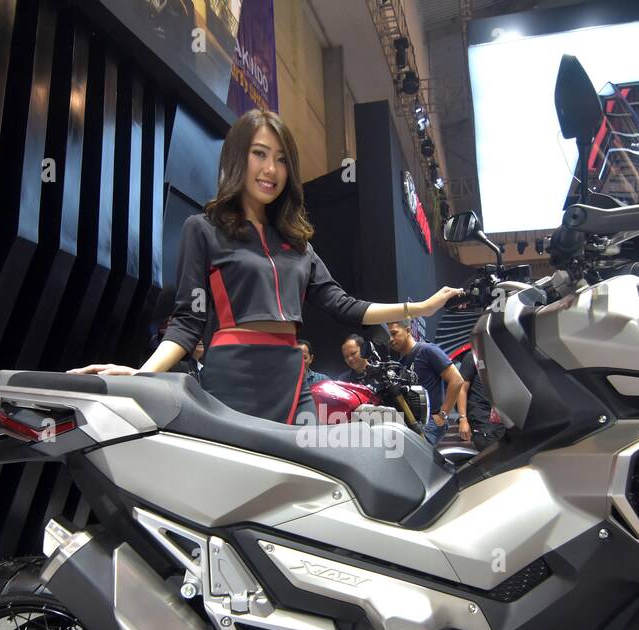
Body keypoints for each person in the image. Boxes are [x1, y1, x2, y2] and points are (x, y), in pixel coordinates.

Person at [68, 108, 462, 423]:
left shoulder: (299, 246)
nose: (271, 170)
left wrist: (419, 308)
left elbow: (346, 306)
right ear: (238, 157)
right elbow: (188, 322)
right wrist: (142, 374)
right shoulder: (203, 230)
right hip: (232, 383)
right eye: (260, 154)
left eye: (281, 160)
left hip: (293, 384)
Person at [386, 320, 464, 446]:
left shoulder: (427, 350)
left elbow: (457, 380)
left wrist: (443, 414)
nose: (391, 339)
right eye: (389, 335)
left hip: (430, 422)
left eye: (394, 333)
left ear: (408, 331)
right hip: (412, 423)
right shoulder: (400, 363)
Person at [456, 348, 506, 451]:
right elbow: (461, 389)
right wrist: (463, 419)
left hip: (500, 419)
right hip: (480, 418)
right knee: (490, 453)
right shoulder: (473, 356)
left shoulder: (503, 359)